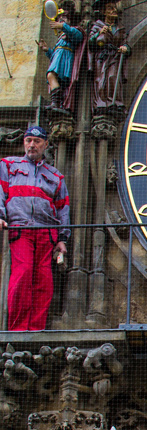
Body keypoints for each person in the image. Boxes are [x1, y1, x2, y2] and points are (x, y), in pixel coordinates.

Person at [0, 126, 70, 330]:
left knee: (44, 282)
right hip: (21, 228)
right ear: (24, 142)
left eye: (37, 141)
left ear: (46, 145)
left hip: (46, 232)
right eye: (28, 140)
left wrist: (62, 238)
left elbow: (62, 208)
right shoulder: (8, 165)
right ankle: (18, 329)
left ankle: (36, 329)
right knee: (22, 274)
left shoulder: (55, 176)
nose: (32, 145)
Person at [38, 2, 84, 111]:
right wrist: (47, 50)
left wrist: (63, 26)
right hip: (59, 59)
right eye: (60, 18)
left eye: (65, 17)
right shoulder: (60, 37)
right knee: (52, 77)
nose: (61, 20)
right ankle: (57, 103)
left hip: (66, 59)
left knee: (51, 75)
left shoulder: (74, 30)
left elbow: (78, 36)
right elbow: (54, 56)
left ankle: (56, 102)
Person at [89, 0, 130, 112]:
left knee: (112, 77)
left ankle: (114, 102)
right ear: (104, 12)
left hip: (114, 56)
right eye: (110, 8)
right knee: (101, 78)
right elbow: (90, 43)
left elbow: (125, 43)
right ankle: (101, 102)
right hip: (102, 58)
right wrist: (99, 33)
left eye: (114, 8)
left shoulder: (120, 28)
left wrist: (125, 48)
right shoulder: (98, 26)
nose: (114, 10)